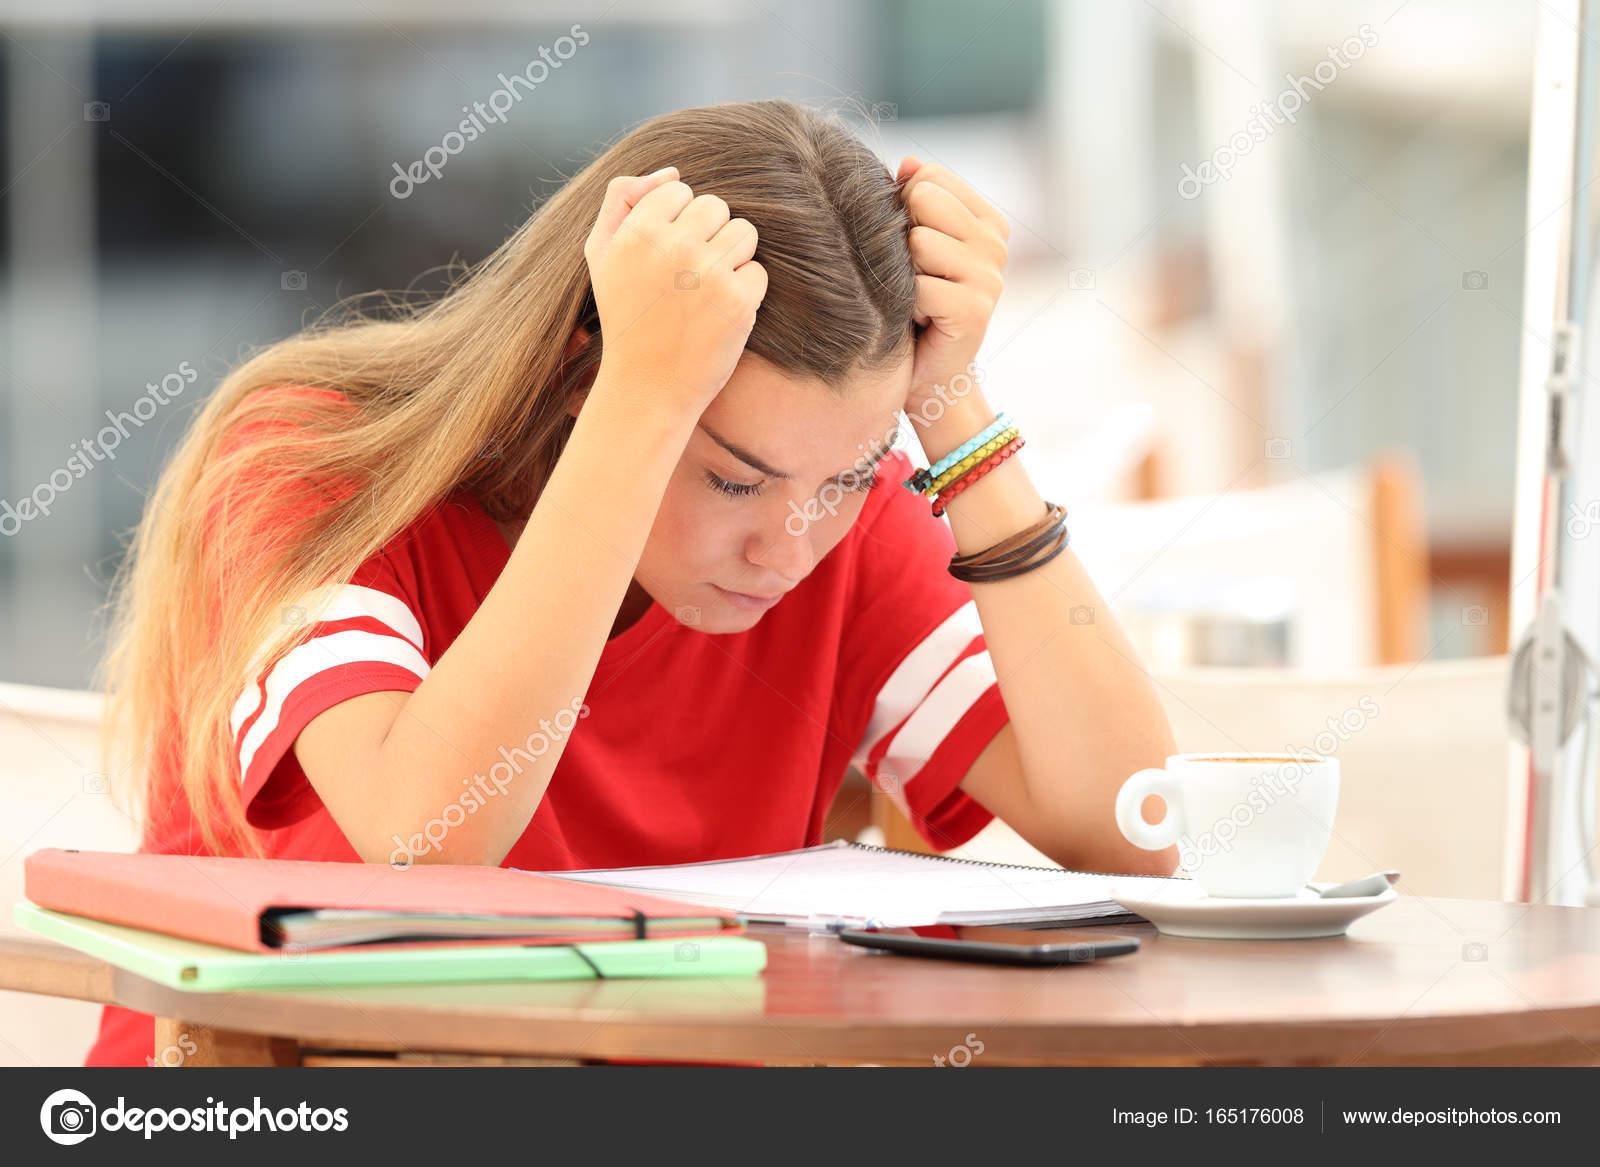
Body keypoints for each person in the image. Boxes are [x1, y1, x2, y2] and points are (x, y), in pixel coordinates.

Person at [85, 98, 1177, 1066]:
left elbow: (1135, 830)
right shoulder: (310, 463)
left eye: (844, 475)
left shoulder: (831, 518)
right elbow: (428, 836)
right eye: (733, 479)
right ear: (580, 370)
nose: (787, 551)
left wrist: (953, 405)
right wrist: (638, 401)